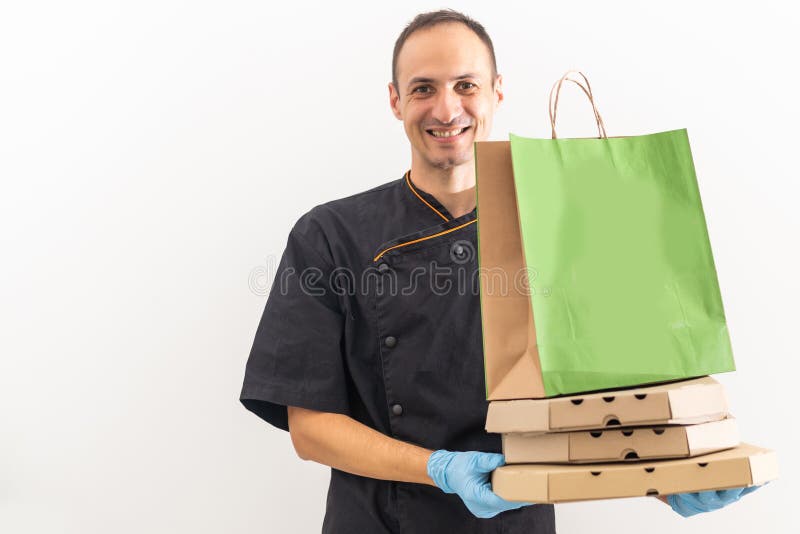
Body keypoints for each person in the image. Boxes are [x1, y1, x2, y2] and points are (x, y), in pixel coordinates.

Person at [240, 9, 759, 533]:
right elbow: (309, 429)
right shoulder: (330, 234)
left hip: (519, 521)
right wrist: (439, 470)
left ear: (496, 92)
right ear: (395, 101)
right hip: (381, 522)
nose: (447, 108)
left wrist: (669, 480)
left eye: (466, 84)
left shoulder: (562, 226)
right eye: (423, 89)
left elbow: (613, 396)